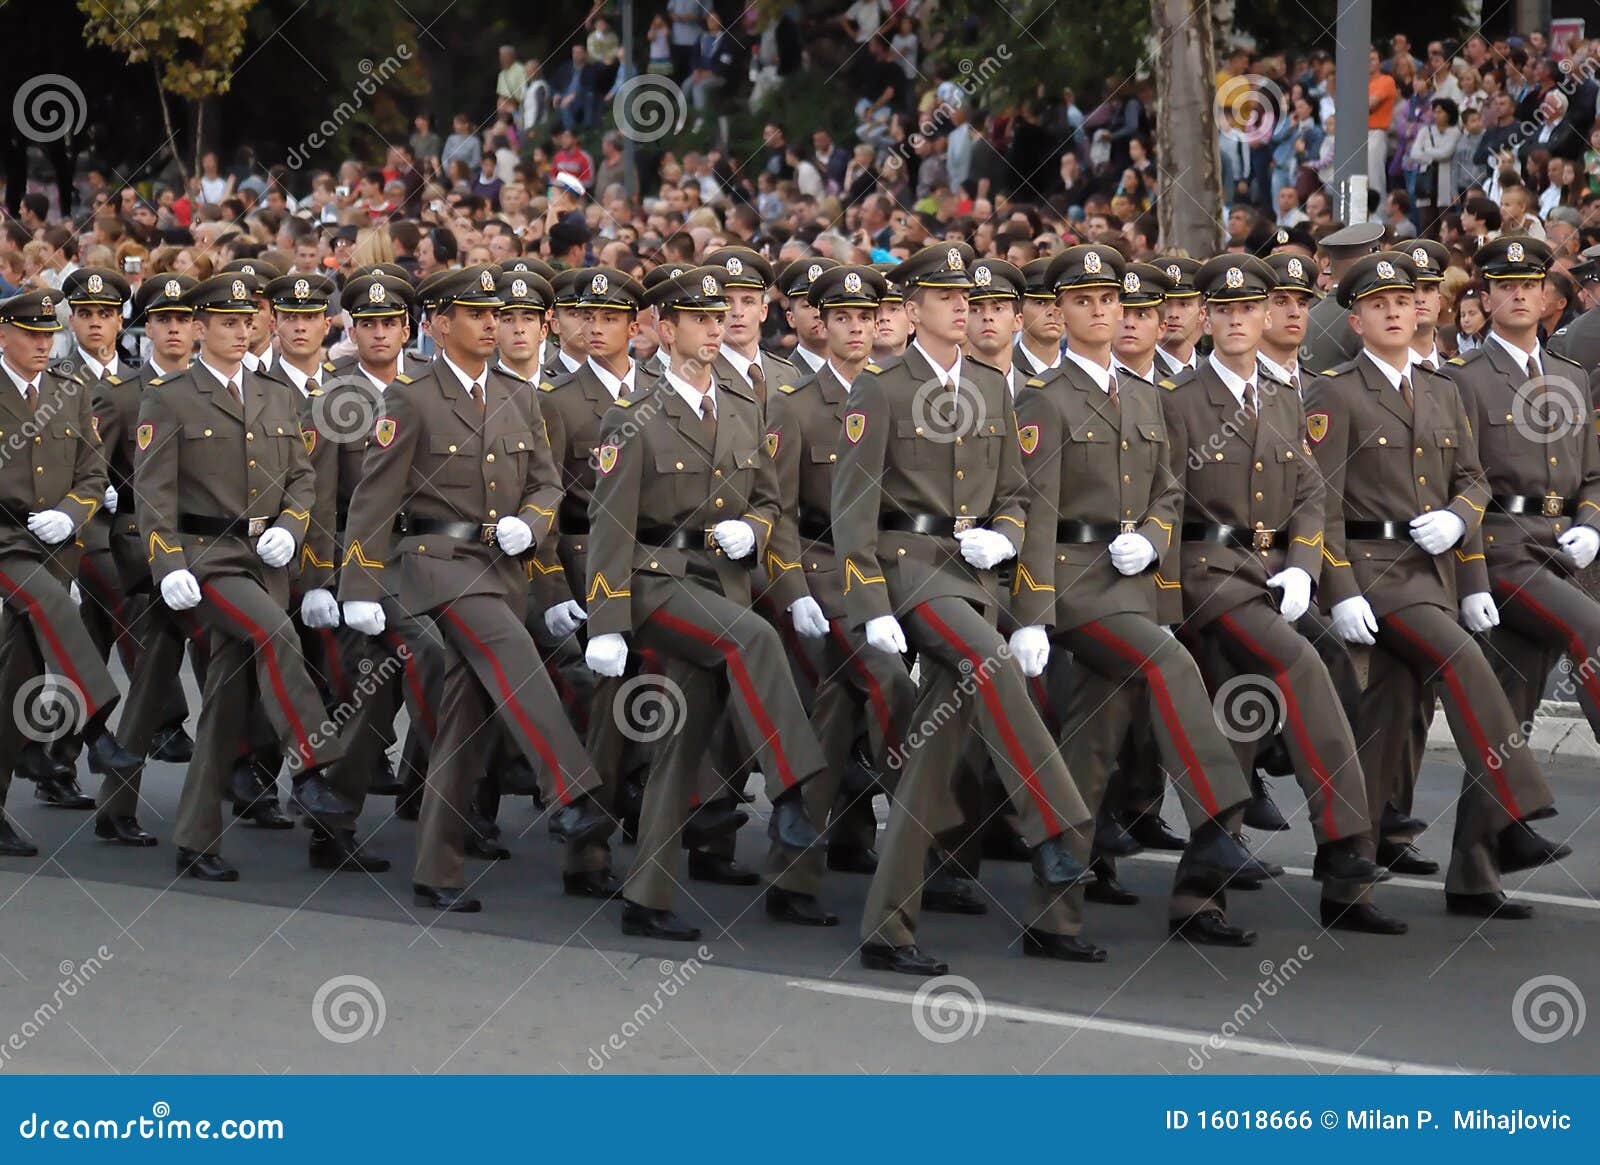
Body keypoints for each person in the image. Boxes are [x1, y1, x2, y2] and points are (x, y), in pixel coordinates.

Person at [1012, 245, 1283, 955]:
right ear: (1061, 311)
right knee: (1169, 665)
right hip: (1073, 580)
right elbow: (1033, 507)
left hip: (1129, 576)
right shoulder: (1043, 396)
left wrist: (1157, 536)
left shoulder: (1144, 395)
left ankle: (1053, 912)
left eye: (1114, 302)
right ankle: (1219, 819)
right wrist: (1035, 612)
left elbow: (1169, 488)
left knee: (1090, 744)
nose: (1102, 312)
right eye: (1086, 300)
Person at [831, 243, 1094, 975]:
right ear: (911, 309)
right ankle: (1052, 828)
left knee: (929, 754)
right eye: (943, 297)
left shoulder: (991, 383)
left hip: (973, 575)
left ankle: (888, 929)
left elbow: (1017, 492)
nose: (961, 307)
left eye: (967, 297)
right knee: (989, 657)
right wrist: (870, 600)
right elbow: (852, 507)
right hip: (910, 572)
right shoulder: (881, 386)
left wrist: (1003, 537)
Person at [1306, 249, 1571, 924]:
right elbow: (1319, 503)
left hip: (1434, 570)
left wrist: (1463, 535)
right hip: (1374, 570)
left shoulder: (1440, 388)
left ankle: (1347, 879)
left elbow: (1474, 481)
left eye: (1404, 302)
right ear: (1357, 321)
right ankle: (1514, 809)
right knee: (1464, 659)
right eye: (1378, 305)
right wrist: (1342, 590)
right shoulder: (1335, 392)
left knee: (1385, 722)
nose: (1396, 311)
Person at [337, 266, 614, 911]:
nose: (493, 323)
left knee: (466, 713)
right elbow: (373, 500)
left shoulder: (519, 396)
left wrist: (532, 521)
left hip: (499, 567)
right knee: (512, 653)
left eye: (498, 313)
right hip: (435, 563)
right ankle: (570, 794)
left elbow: (547, 484)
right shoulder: (411, 396)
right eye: (476, 312)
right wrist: (359, 583)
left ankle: (437, 867)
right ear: (438, 324)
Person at [584, 266, 824, 941]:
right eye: (698, 319)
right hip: (656, 581)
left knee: (682, 738)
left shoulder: (747, 407)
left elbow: (773, 499)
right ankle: (791, 787)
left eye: (720, 318)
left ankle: (646, 893)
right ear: (665, 329)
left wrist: (758, 528)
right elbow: (610, 524)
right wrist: (607, 621)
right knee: (756, 640)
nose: (715, 330)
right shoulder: (631, 415)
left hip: (720, 581)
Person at [1158, 254, 1392, 938]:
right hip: (1208, 573)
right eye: (1223, 311)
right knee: (1302, 661)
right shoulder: (1179, 400)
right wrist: (1170, 607)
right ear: (1206, 318)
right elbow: (1163, 504)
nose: (1236, 321)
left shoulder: (1283, 393)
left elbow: (1312, 491)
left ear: (1266, 316)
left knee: (1241, 711)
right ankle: (1347, 842)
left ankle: (1198, 893)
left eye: (1247, 310)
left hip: (1269, 575)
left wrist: (1303, 564)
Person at [134, 274, 349, 880]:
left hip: (265, 560)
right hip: (207, 560)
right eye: (225, 322)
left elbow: (303, 476)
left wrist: (292, 523)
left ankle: (196, 840)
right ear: (199, 328)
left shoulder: (275, 392)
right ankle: (311, 765)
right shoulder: (171, 396)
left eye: (245, 320)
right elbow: (153, 493)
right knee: (277, 635)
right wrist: (166, 561)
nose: (238, 331)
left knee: (225, 702)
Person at [1442, 235, 1596, 919]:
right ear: (1485, 296)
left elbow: (1592, 471)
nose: (1517, 294)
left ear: (1546, 295)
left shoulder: (1570, 375)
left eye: (1529, 283)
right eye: (1503, 285)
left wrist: (1592, 520)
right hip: (1503, 549)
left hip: (1561, 547)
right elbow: (1459, 485)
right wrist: (1471, 577)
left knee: (1507, 712)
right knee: (1593, 627)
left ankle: (1475, 871)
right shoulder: (1463, 382)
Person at [761, 263, 915, 927]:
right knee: (885, 680)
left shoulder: (904, 396)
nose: (859, 328)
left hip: (897, 566)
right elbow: (779, 510)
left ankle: (798, 868)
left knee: (833, 711)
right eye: (844, 318)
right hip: (828, 573)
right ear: (820, 325)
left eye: (869, 315)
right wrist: (794, 588)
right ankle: (918, 806)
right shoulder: (794, 404)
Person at [0, 288, 145, 855]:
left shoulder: (70, 389)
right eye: (30, 334)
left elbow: (92, 474)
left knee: (14, 675)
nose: (43, 343)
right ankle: (96, 728)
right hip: (5, 543)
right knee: (51, 606)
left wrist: (71, 513)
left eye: (47, 334)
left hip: (55, 546)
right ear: (3, 335)